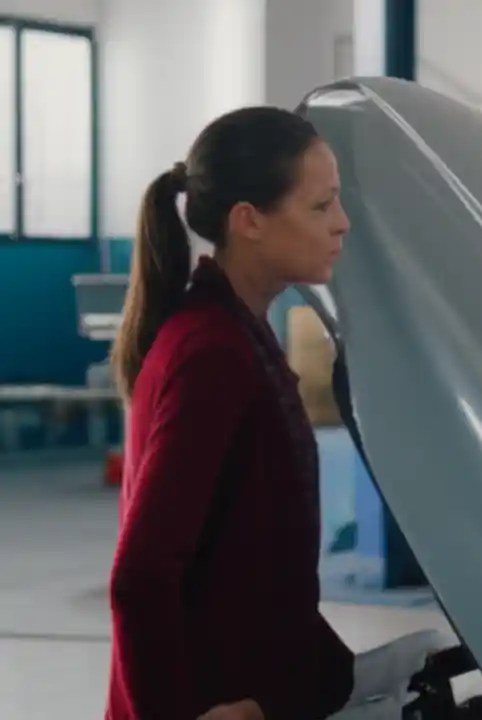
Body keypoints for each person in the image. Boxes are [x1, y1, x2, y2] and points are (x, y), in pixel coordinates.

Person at [105, 107, 434, 720]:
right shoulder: (212, 354)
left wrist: (332, 675)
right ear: (249, 221)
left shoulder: (239, 336)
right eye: (320, 206)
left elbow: (257, 572)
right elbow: (142, 577)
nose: (342, 223)